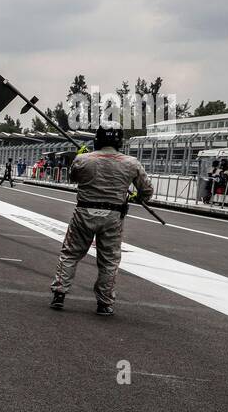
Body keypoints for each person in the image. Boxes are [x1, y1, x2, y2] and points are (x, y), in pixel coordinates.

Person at [49, 124, 153, 316]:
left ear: (97, 139)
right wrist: (133, 197)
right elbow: (147, 192)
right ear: (119, 141)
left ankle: (59, 294)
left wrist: (80, 156)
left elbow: (73, 178)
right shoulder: (131, 163)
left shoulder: (83, 159)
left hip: (84, 212)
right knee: (109, 261)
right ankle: (105, 303)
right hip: (113, 216)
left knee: (70, 254)